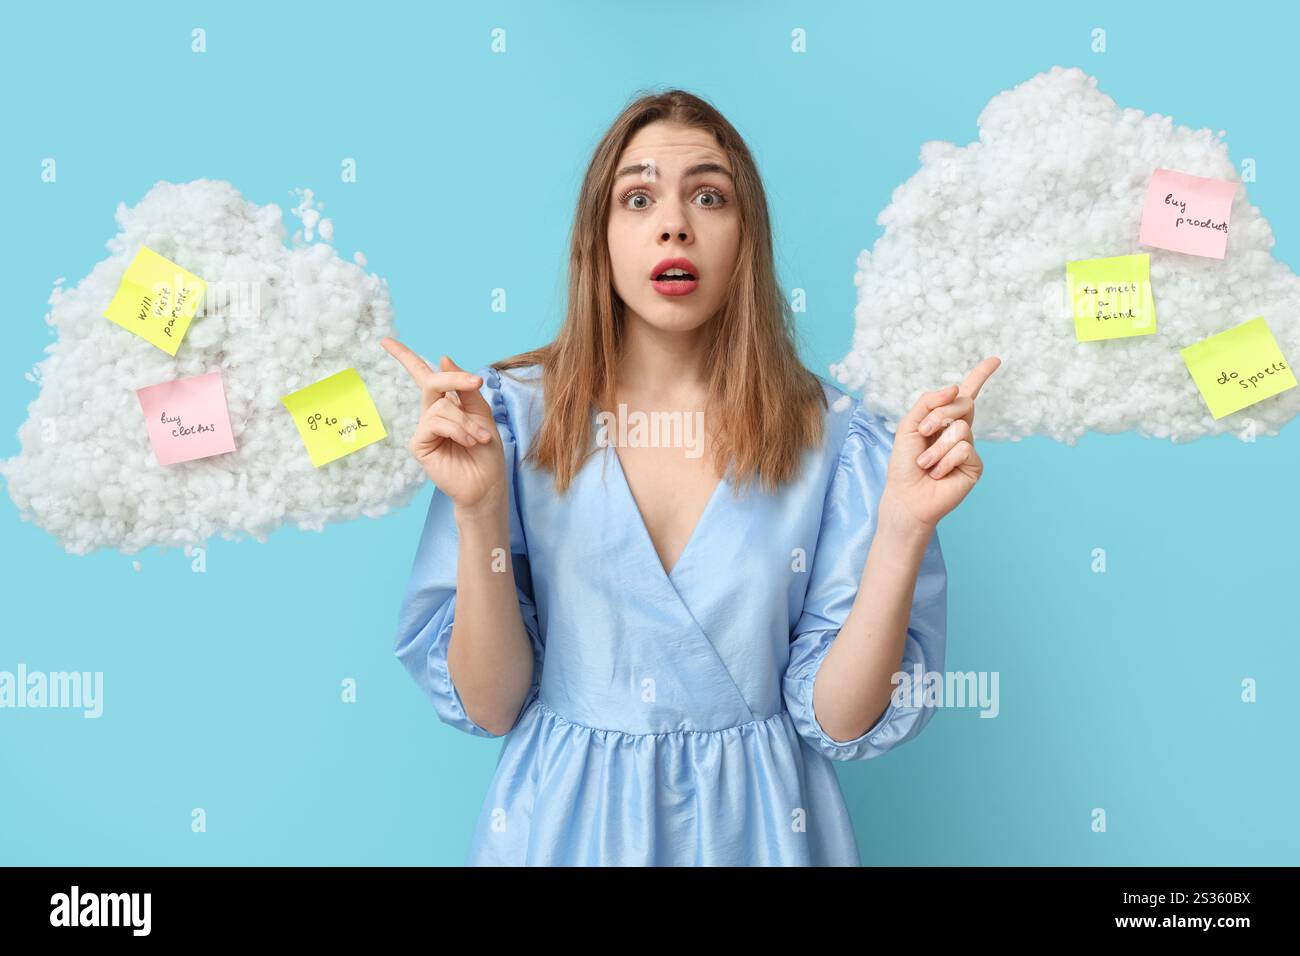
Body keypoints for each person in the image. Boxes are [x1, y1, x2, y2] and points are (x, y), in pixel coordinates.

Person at [383, 89, 999, 865]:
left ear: (749, 237)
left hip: (767, 832)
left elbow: (842, 723)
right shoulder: (503, 421)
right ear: (596, 239)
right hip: (562, 831)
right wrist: (477, 512)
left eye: (709, 196)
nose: (674, 223)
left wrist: (905, 526)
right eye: (637, 198)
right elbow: (493, 703)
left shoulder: (842, 442)